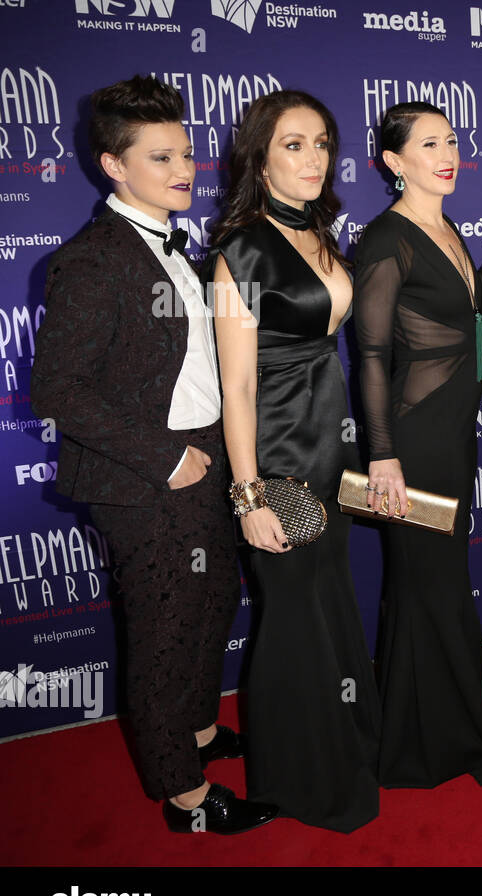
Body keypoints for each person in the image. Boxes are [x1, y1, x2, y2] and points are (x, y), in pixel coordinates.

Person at [31, 75, 276, 836]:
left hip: (201, 459)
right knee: (165, 635)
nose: (183, 170)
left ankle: (198, 734)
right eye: (160, 157)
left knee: (208, 610)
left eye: (186, 153)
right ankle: (185, 798)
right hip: (146, 482)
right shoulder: (93, 260)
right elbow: (57, 391)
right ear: (114, 165)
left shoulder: (183, 247)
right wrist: (165, 459)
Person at [207, 90, 380, 832]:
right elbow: (237, 387)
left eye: (321, 143)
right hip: (278, 461)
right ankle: (298, 778)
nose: (312, 158)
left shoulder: (322, 232)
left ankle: (340, 748)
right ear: (260, 157)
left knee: (325, 608)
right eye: (293, 145)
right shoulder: (241, 249)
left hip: (329, 447)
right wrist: (249, 498)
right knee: (292, 621)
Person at [352, 102, 482, 789]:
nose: (447, 153)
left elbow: (462, 333)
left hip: (450, 431)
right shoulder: (386, 240)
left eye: (450, 140)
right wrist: (382, 454)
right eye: (428, 144)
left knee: (434, 584)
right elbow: (372, 355)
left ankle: (430, 733)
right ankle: (426, 746)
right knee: (425, 583)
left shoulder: (445, 227)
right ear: (392, 162)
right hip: (411, 442)